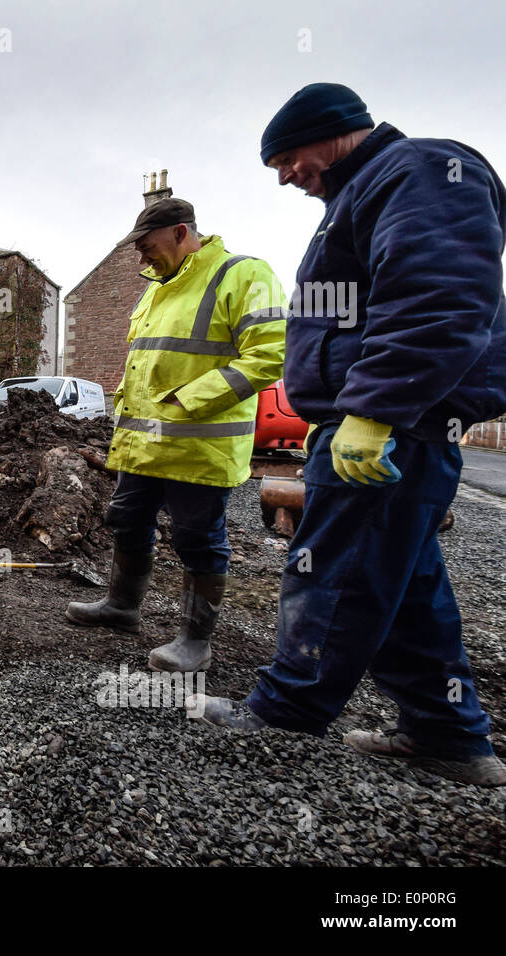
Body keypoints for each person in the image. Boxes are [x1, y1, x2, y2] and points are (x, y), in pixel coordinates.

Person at [191, 83, 506, 788]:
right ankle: (448, 734)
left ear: (332, 132)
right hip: (387, 419)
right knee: (405, 584)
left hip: (394, 423)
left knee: (335, 570)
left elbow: (438, 295)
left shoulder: (419, 171)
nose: (283, 175)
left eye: (288, 157)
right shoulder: (368, 194)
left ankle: (287, 709)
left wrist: (373, 411)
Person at [66, 198, 287, 672]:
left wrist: (192, 399)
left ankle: (195, 643)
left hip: (199, 447)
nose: (143, 260)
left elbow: (272, 352)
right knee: (126, 520)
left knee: (198, 539)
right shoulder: (155, 290)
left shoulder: (243, 274)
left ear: (181, 232)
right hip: (143, 447)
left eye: (149, 247)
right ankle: (122, 607)